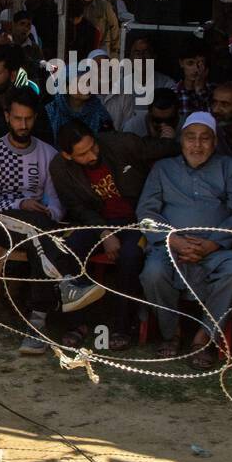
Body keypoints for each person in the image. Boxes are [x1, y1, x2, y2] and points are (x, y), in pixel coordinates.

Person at [0, 90, 104, 355]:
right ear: (7, 117)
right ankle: (64, 286)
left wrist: (52, 214)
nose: (22, 125)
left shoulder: (48, 153)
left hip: (39, 227)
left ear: (35, 118)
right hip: (2, 224)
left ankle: (36, 326)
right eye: (17, 119)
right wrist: (20, 204)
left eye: (28, 119)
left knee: (40, 240)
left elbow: (56, 199)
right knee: (41, 234)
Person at [50, 121, 178, 347]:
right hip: (95, 221)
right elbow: (77, 208)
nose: (92, 155)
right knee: (68, 249)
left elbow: (164, 149)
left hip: (134, 220)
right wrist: (104, 233)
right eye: (83, 154)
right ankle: (76, 323)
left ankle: (123, 326)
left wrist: (170, 138)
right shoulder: (60, 167)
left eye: (93, 147)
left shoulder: (121, 144)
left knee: (130, 256)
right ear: (68, 156)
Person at [137, 112, 232, 369]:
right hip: (171, 246)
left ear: (214, 141)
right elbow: (145, 213)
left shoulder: (228, 167)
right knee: (153, 272)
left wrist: (213, 243)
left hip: (216, 248)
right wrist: (172, 239)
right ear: (181, 140)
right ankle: (170, 333)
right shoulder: (163, 169)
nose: (197, 145)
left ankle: (204, 337)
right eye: (190, 138)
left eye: (204, 138)